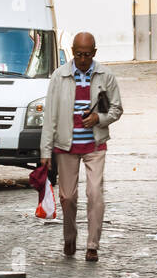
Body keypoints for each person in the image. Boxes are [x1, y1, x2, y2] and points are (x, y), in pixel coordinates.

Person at [39, 32, 123, 261]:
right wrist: (45, 151)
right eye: (78, 54)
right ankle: (69, 238)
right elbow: (50, 116)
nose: (83, 59)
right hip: (66, 146)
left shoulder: (105, 75)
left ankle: (92, 245)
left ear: (94, 52)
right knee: (67, 197)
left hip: (95, 145)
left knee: (95, 194)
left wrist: (99, 118)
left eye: (87, 55)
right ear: (72, 52)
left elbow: (116, 108)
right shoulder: (59, 76)